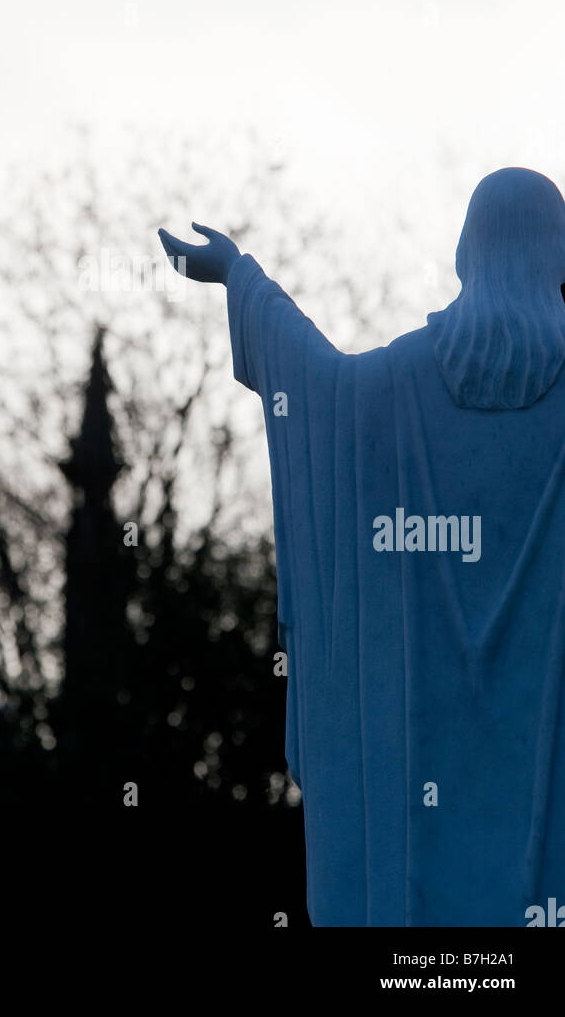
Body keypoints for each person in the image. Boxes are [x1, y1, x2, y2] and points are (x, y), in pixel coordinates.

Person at [159, 168, 565, 926]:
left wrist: (239, 279)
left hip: (418, 785)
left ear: (465, 253)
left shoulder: (394, 386)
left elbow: (316, 390)